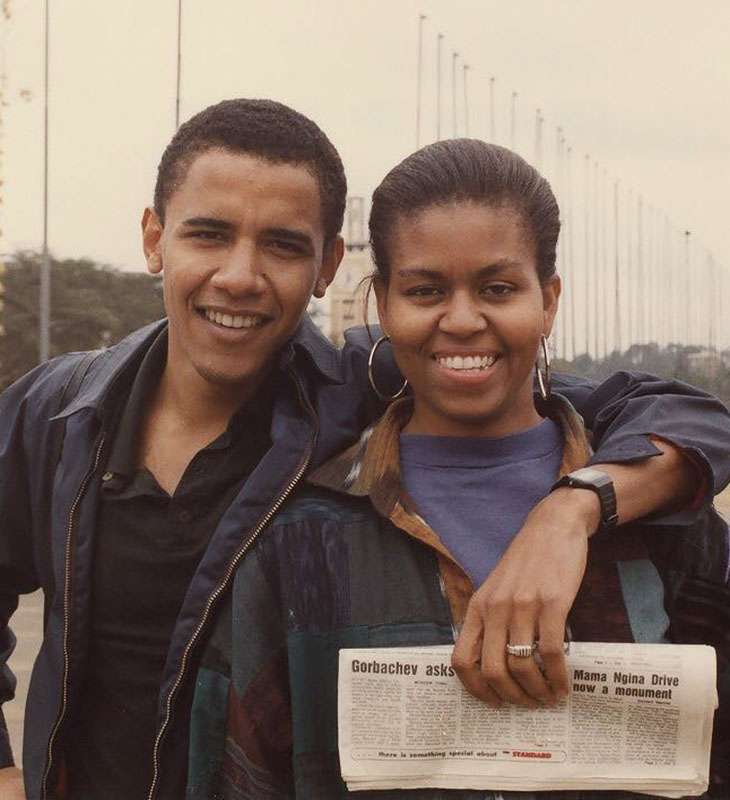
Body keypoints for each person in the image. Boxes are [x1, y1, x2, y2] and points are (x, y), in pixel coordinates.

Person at [0, 102, 728, 800]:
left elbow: (667, 411)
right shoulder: (56, 415)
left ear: (327, 268)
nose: (240, 276)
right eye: (208, 234)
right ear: (155, 238)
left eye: (283, 244)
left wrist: (572, 509)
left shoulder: (351, 393)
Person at [213, 139, 730, 798]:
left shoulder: (664, 517)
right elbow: (246, 768)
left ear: (548, 300)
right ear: (383, 304)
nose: (462, 320)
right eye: (426, 290)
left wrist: (570, 515)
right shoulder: (301, 529)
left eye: (498, 288)